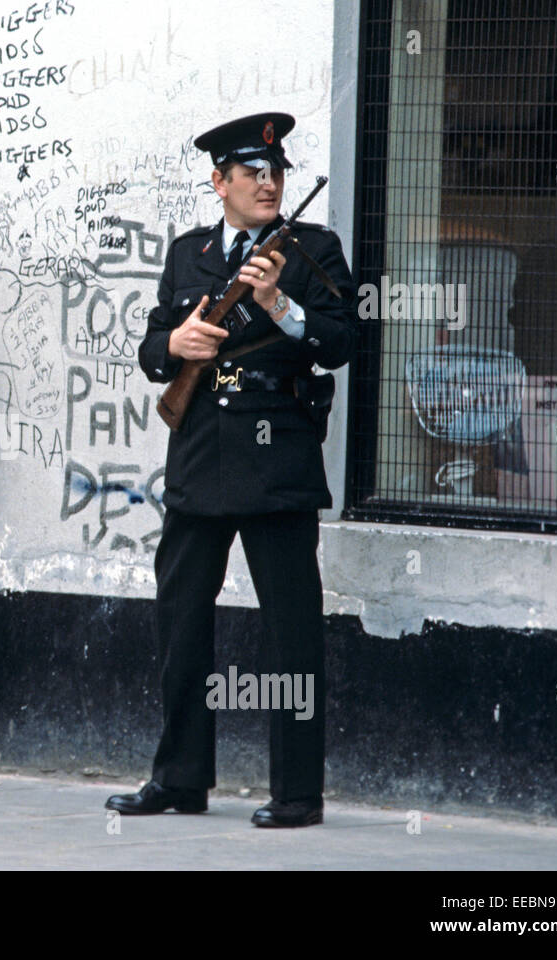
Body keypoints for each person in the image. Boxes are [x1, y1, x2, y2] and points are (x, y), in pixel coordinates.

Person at [106, 113, 357, 827]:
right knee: (181, 623)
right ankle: (181, 778)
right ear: (219, 182)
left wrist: (280, 302)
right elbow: (157, 340)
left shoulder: (313, 250)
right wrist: (174, 342)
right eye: (250, 173)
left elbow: (340, 342)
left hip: (277, 464)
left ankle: (297, 793)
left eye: (275, 171)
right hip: (199, 457)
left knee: (291, 633)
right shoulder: (190, 253)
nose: (268, 182)